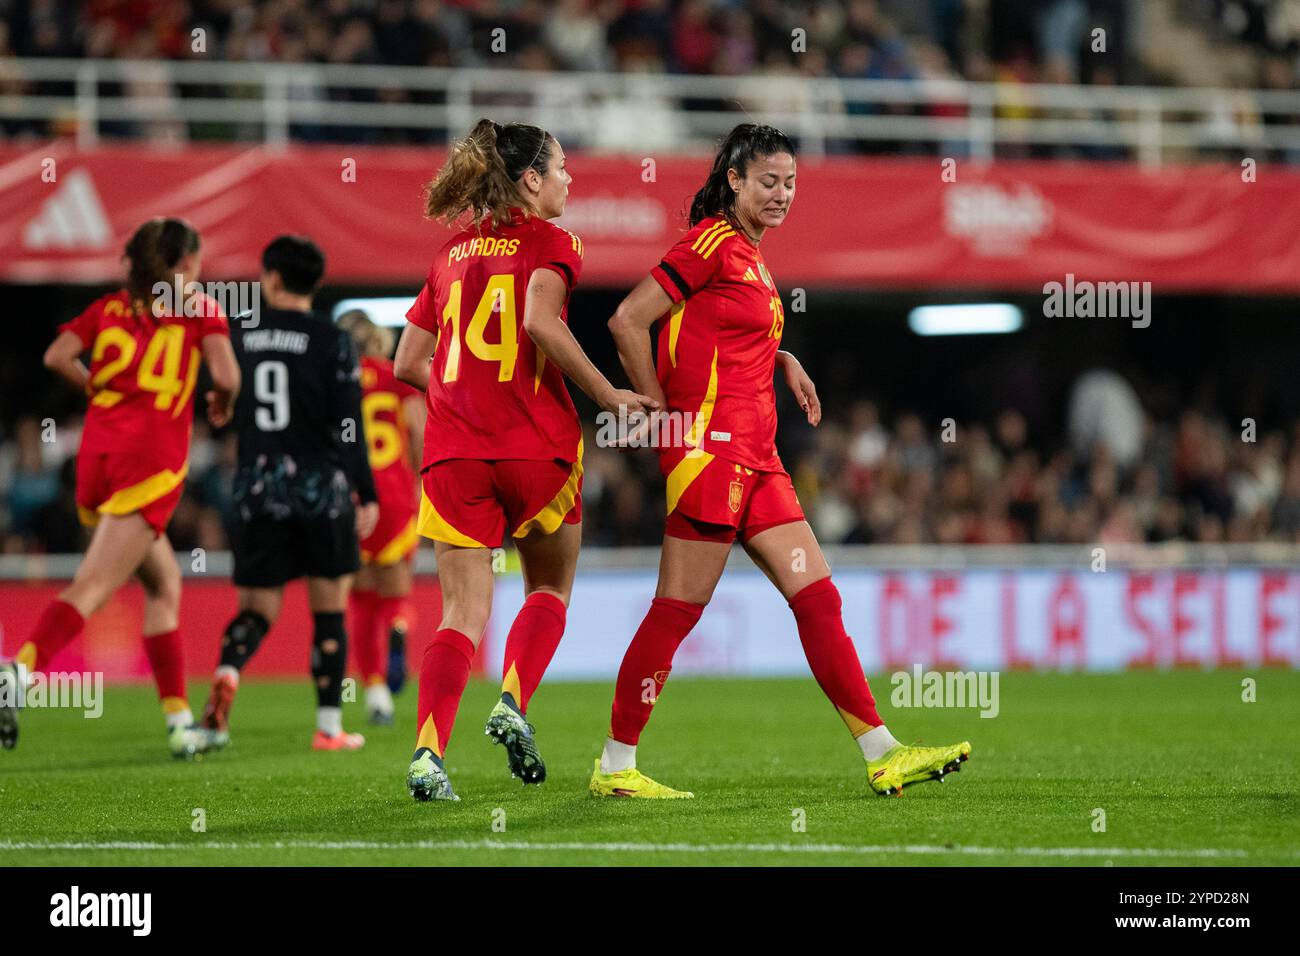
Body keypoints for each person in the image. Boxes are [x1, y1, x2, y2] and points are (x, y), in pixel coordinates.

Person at [589, 124, 972, 798]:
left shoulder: (750, 257)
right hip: (710, 451)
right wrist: (655, 407)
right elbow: (628, 319)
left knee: (818, 599)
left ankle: (883, 752)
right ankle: (615, 765)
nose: (781, 194)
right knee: (675, 613)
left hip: (758, 457)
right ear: (733, 178)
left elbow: (719, 337)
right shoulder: (709, 241)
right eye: (768, 181)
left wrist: (784, 361)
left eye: (790, 183)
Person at [394, 118, 655, 801]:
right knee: (548, 591)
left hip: (453, 453)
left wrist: (461, 394)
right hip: (534, 446)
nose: (571, 178)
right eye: (563, 166)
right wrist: (607, 394)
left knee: (460, 616)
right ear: (533, 180)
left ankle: (427, 753)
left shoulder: (448, 256)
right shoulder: (553, 240)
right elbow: (540, 321)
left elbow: (406, 362)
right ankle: (511, 700)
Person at [0, 218, 239, 759]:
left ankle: (179, 724)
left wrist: (102, 393)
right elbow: (226, 376)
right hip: (148, 464)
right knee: (93, 584)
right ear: (184, 265)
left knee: (164, 584)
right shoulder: (199, 309)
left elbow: (55, 356)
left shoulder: (107, 309)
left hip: (97, 459)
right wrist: (221, 404)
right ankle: (20, 669)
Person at [199, 236, 379, 751]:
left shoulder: (241, 335)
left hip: (258, 489)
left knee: (256, 609)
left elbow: (217, 401)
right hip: (322, 491)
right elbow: (349, 426)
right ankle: (328, 727)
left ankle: (229, 674)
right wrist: (365, 492)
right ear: (315, 282)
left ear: (272, 278)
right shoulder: (332, 340)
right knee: (329, 612)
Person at [336, 309, 424, 725]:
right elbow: (422, 435)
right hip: (394, 496)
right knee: (395, 595)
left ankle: (375, 695)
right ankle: (401, 627)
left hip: (350, 499)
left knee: (361, 603)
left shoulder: (334, 383)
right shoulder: (397, 379)